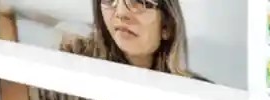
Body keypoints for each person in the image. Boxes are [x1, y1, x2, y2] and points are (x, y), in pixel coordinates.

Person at [60, 0, 207, 81]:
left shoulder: (198, 94)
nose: (121, 13)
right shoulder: (72, 66)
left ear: (166, 27)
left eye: (140, 1)